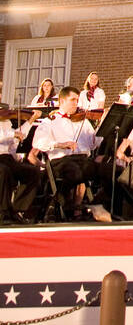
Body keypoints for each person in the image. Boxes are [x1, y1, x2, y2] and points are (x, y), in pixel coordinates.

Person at [29, 85, 98, 218]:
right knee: (76, 172)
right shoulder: (50, 121)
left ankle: (94, 205)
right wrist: (60, 144)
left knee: (104, 171)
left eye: (77, 100)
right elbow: (38, 142)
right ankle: (62, 203)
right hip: (61, 162)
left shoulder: (82, 121)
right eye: (73, 100)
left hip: (82, 160)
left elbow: (93, 144)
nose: (76, 104)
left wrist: (104, 130)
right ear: (62, 101)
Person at [0, 113, 41, 222]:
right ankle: (3, 211)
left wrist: (31, 120)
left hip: (6, 158)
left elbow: (15, 139)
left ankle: (17, 209)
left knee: (32, 172)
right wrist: (12, 133)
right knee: (4, 171)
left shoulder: (6, 121)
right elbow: (7, 135)